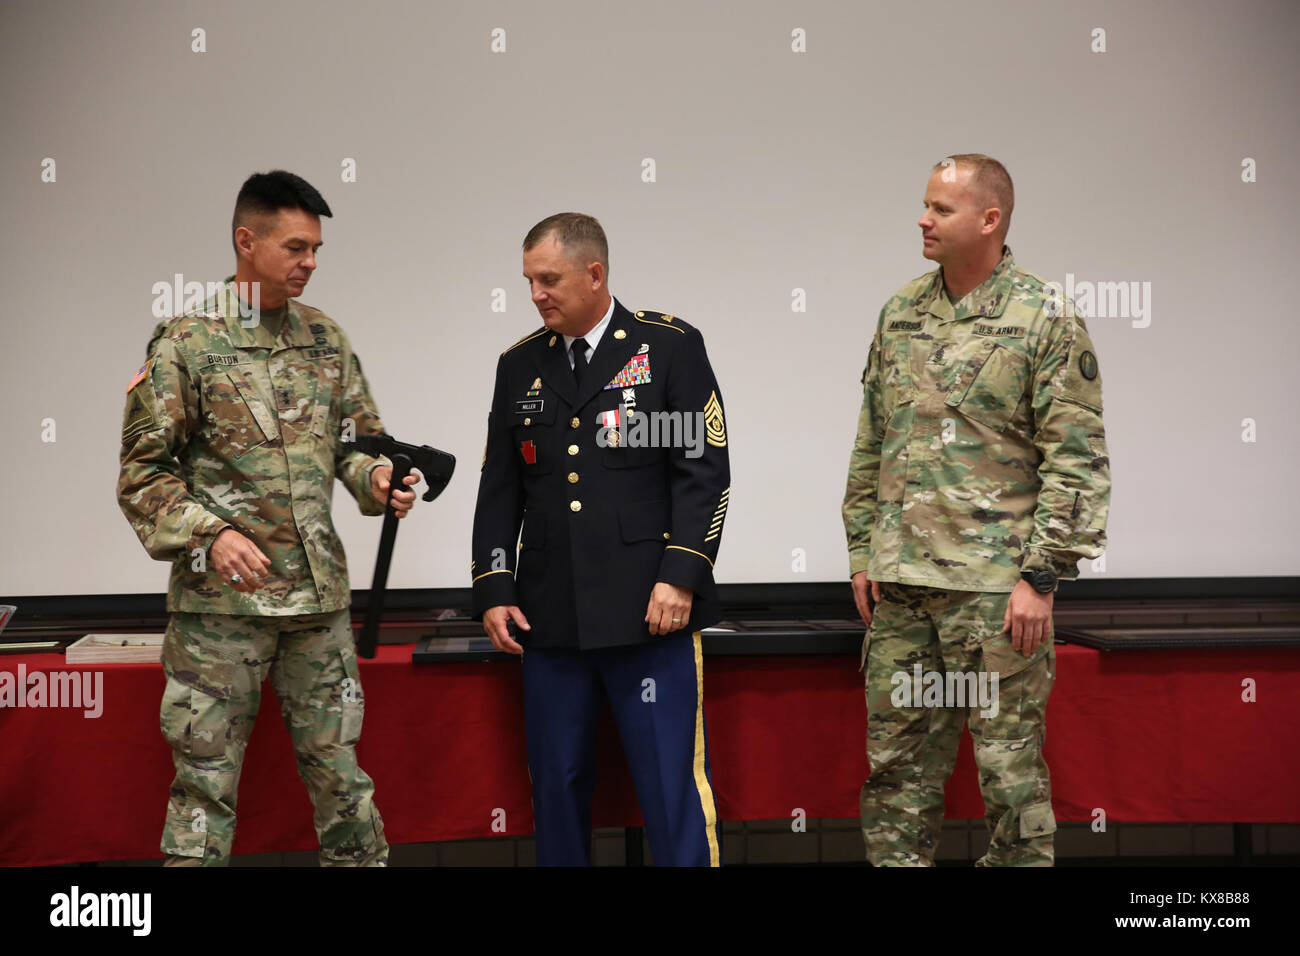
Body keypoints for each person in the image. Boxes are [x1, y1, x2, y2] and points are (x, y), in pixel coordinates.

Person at [117, 170, 419, 866]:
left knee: (343, 784)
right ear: (245, 241)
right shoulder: (186, 344)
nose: (309, 262)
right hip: (220, 615)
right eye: (294, 247)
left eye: (316, 249)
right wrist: (210, 534)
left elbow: (358, 445)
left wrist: (377, 479)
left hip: (319, 610)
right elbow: (142, 476)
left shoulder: (326, 341)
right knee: (204, 791)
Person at [842, 154, 1111, 866]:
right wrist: (862, 553)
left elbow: (1076, 459)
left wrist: (1042, 577)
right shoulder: (900, 313)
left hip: (996, 598)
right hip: (902, 593)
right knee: (896, 779)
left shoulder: (1043, 316)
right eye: (925, 205)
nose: (923, 219)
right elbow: (873, 440)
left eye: (941, 208)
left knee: (1009, 781)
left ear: (990, 220)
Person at [471, 213, 730, 866]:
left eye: (549, 279)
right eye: (529, 280)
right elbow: (500, 490)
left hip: (652, 616)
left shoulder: (666, 347)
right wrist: (495, 586)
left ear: (595, 274)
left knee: (669, 789)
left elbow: (704, 472)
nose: (537, 294)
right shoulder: (520, 365)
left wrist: (681, 576)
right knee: (556, 791)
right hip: (551, 621)